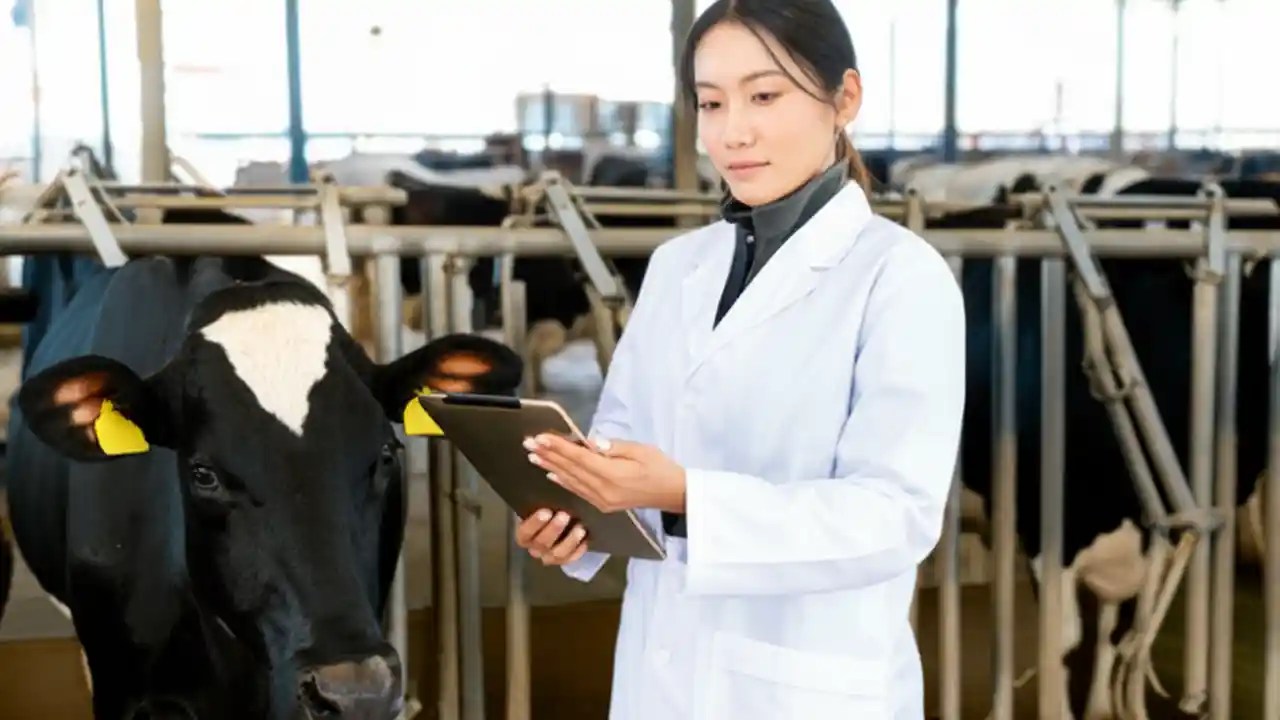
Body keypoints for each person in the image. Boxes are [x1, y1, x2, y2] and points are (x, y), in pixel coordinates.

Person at [515, 1, 966, 718]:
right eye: (711, 103)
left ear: (843, 98)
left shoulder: (900, 277)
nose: (734, 132)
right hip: (659, 675)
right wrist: (578, 515)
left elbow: (893, 516)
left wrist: (687, 495)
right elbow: (623, 441)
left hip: (808, 686)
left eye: (764, 95)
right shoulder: (676, 267)